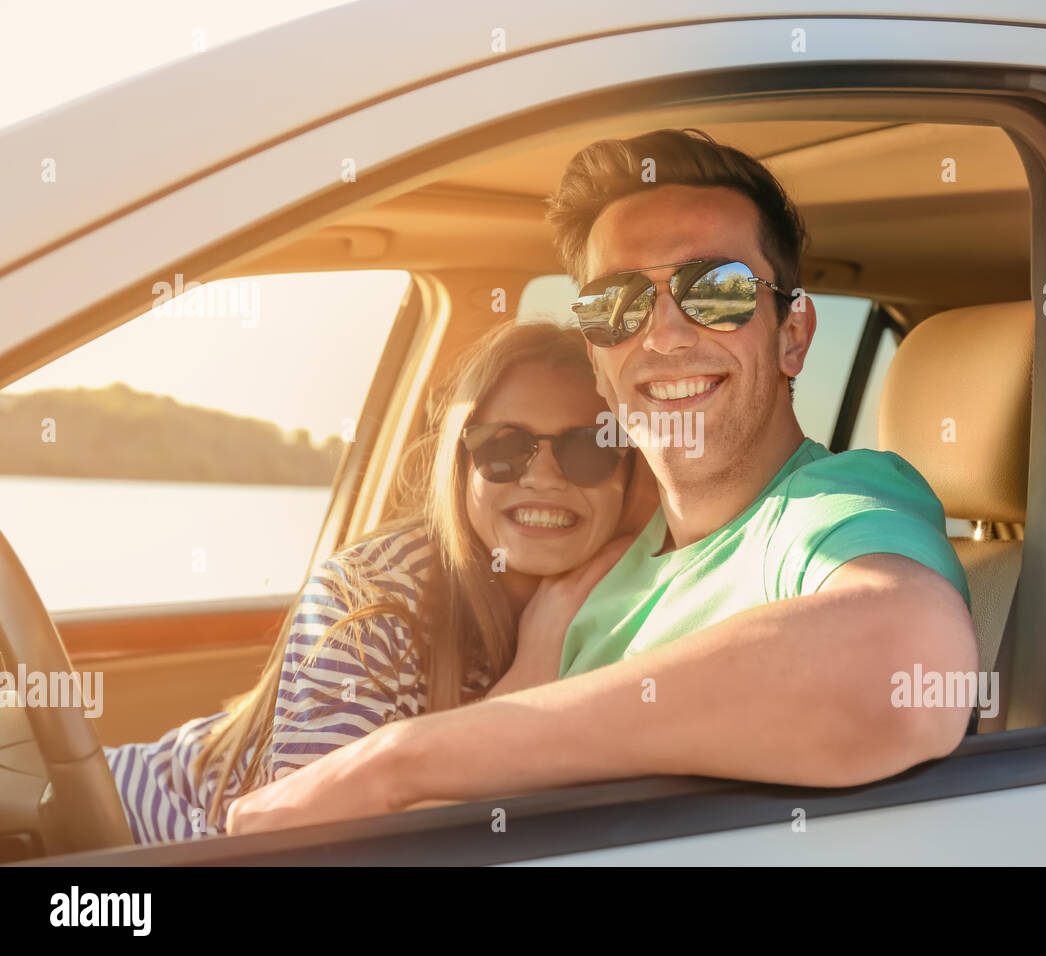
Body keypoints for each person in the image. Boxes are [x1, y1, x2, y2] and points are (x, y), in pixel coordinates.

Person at [224, 128, 979, 835]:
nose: (664, 335)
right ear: (597, 359)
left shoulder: (834, 506)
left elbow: (910, 668)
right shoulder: (605, 567)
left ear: (793, 334)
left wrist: (394, 761)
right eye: (617, 304)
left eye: (715, 290)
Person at [106, 320, 652, 842]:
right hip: (115, 823)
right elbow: (316, 840)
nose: (543, 476)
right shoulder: (365, 597)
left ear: (630, 470)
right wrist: (529, 680)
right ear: (459, 462)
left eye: (589, 448)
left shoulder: (643, 598)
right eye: (506, 447)